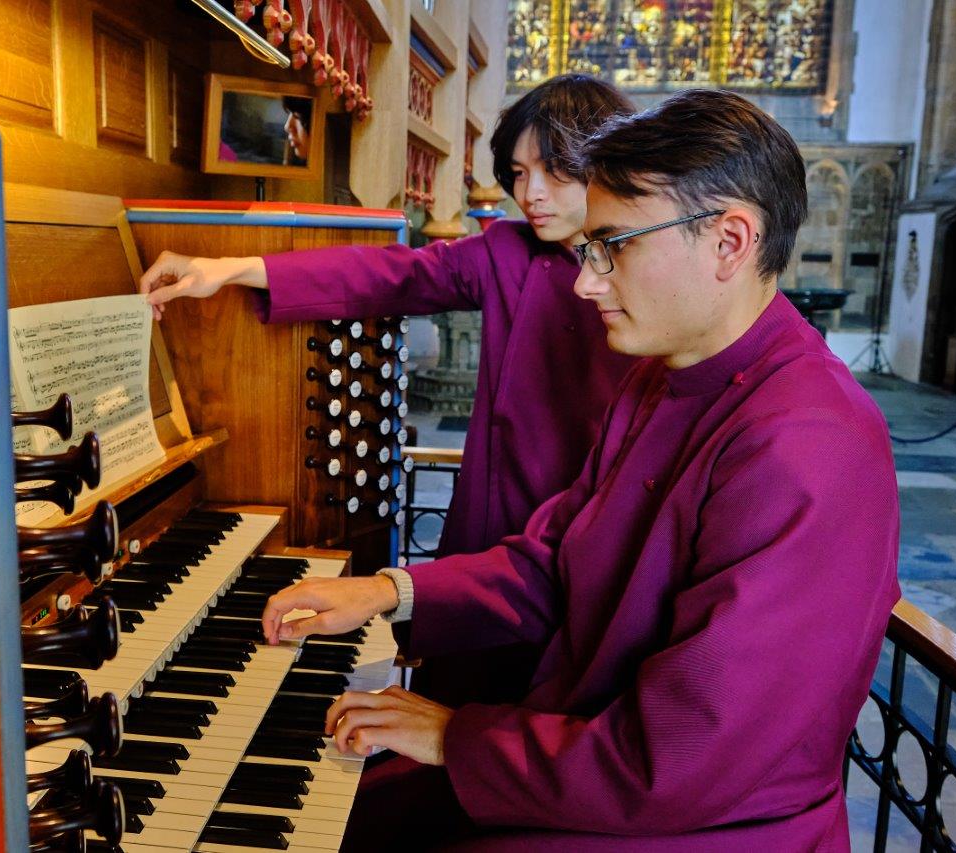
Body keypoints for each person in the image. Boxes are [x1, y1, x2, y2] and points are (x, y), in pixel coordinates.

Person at [258, 89, 901, 850]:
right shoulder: (661, 376)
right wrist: (385, 590)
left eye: (614, 246)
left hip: (696, 823)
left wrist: (459, 736)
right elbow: (558, 558)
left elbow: (683, 757)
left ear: (730, 241)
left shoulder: (810, 444)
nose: (586, 280)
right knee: (329, 810)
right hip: (585, 747)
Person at [140, 74, 637, 706]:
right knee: (455, 715)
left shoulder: (649, 276)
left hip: (591, 552)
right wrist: (232, 269)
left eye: (553, 172)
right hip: (491, 536)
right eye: (517, 172)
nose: (529, 194)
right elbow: (390, 275)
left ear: (607, 166)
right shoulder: (508, 253)